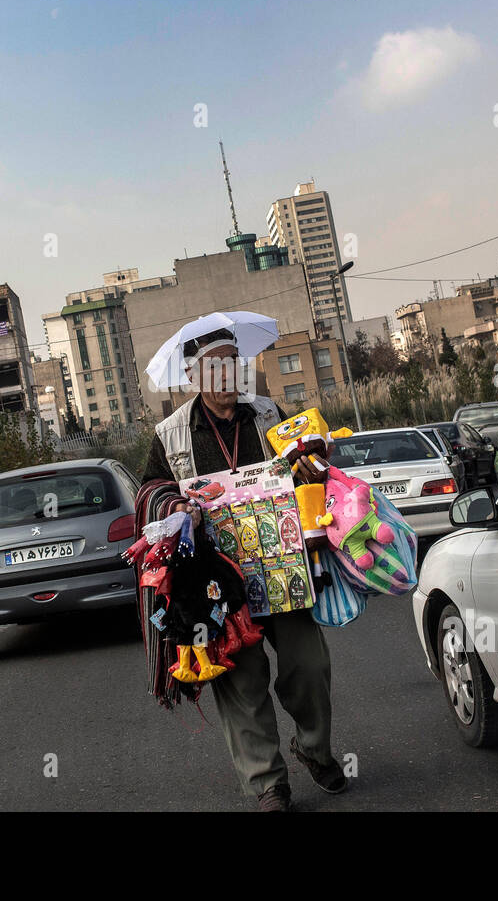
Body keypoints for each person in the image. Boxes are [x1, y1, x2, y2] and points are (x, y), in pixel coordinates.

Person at [138, 326, 347, 812]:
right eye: (215, 364)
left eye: (234, 361)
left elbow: (303, 465)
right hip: (219, 582)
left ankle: (313, 748)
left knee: (309, 666)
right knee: (241, 679)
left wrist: (313, 462)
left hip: (281, 567)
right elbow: (149, 491)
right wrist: (175, 505)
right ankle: (267, 785)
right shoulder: (170, 434)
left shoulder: (270, 414)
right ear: (194, 374)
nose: (228, 372)